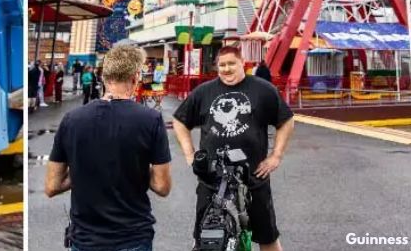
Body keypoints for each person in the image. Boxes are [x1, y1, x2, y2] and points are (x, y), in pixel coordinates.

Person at [45, 44, 172, 251]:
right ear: (135, 77)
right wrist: (135, 166)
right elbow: (162, 186)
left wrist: (86, 169)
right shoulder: (151, 119)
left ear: (104, 78)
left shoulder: (72, 119)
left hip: (85, 239)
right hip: (133, 238)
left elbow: (52, 186)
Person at [172, 46, 295, 251]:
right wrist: (189, 153)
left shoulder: (263, 90)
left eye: (231, 63)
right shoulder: (204, 91)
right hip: (212, 181)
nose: (226, 69)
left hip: (253, 179)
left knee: (268, 239)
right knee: (205, 239)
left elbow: (286, 120)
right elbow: (179, 121)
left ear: (242, 63)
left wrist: (276, 155)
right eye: (222, 65)